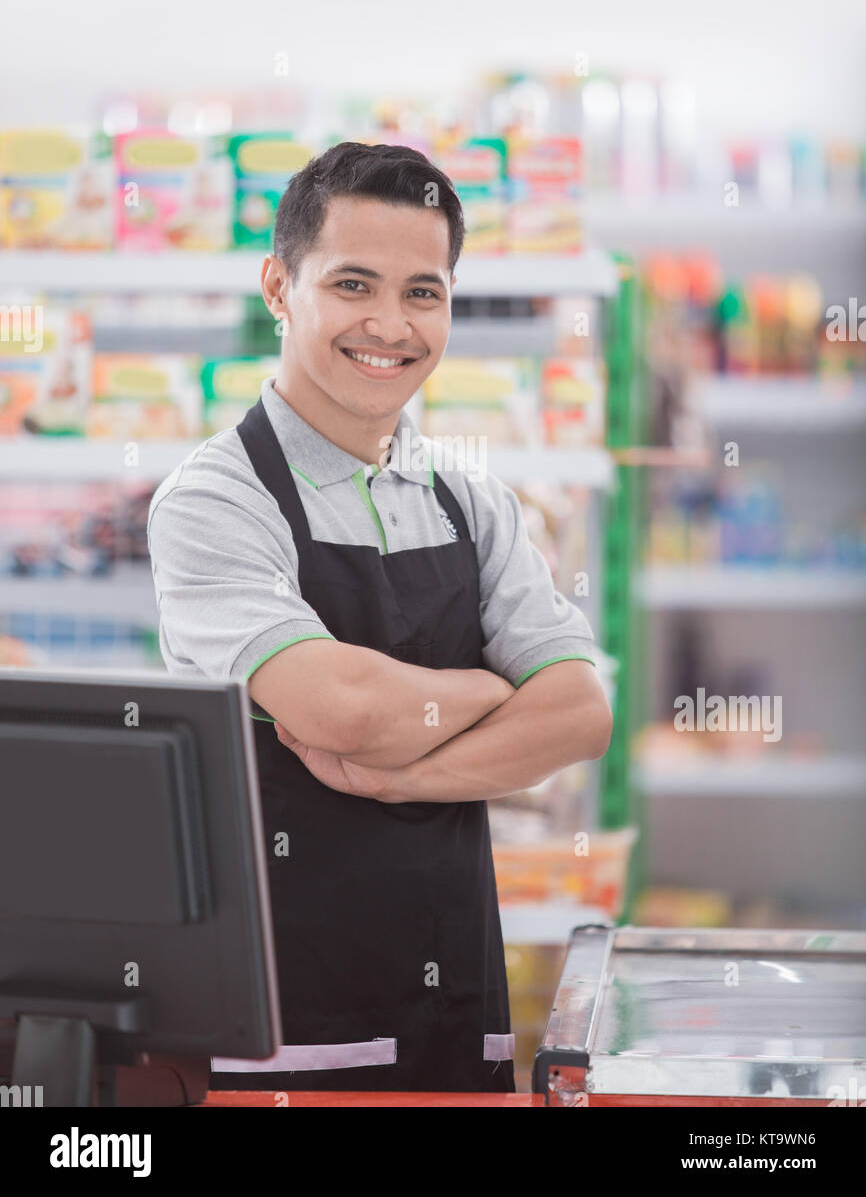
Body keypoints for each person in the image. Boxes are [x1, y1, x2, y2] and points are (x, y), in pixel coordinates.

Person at [147, 141, 612, 1093]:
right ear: (279, 286)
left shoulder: (470, 501)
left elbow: (579, 714)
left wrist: (397, 780)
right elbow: (343, 710)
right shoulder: (215, 502)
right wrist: (492, 689)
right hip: (285, 1019)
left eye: (424, 292)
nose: (390, 325)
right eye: (353, 284)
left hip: (457, 1010)